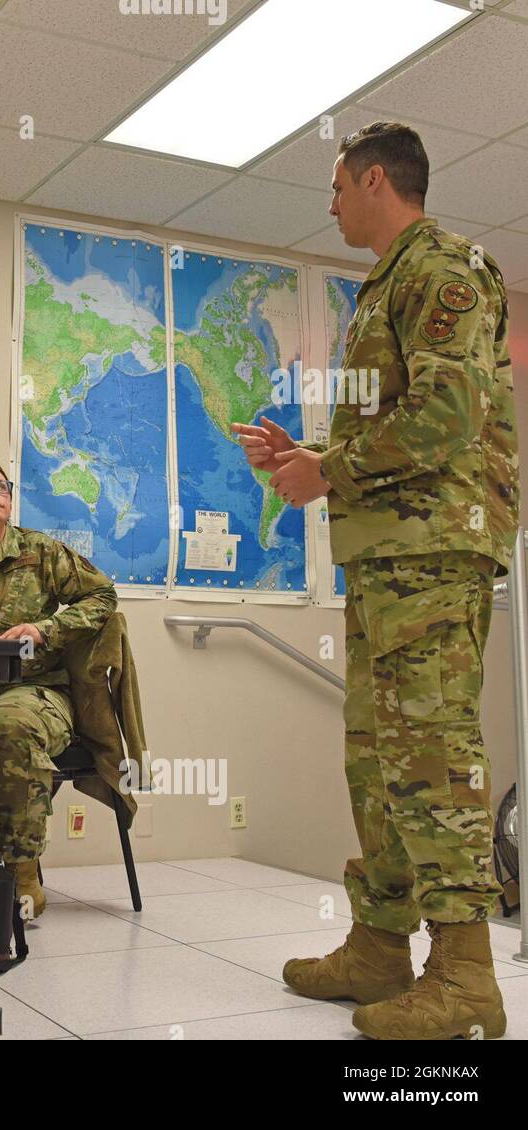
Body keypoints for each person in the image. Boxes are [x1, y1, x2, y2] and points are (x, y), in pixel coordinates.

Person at [233, 121, 518, 1040]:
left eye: (337, 187)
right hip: (390, 556)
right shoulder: (383, 287)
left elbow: (450, 410)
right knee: (378, 757)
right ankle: (380, 948)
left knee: (431, 757)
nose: (330, 204)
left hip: (435, 553)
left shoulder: (445, 270)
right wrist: (315, 457)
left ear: (375, 180)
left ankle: (469, 978)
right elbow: (393, 428)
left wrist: (333, 473)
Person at [0, 462, 116, 918]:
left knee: (11, 729)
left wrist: (44, 628)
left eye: (1, 485)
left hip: (35, 689)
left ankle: (20, 875)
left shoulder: (41, 551)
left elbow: (103, 597)